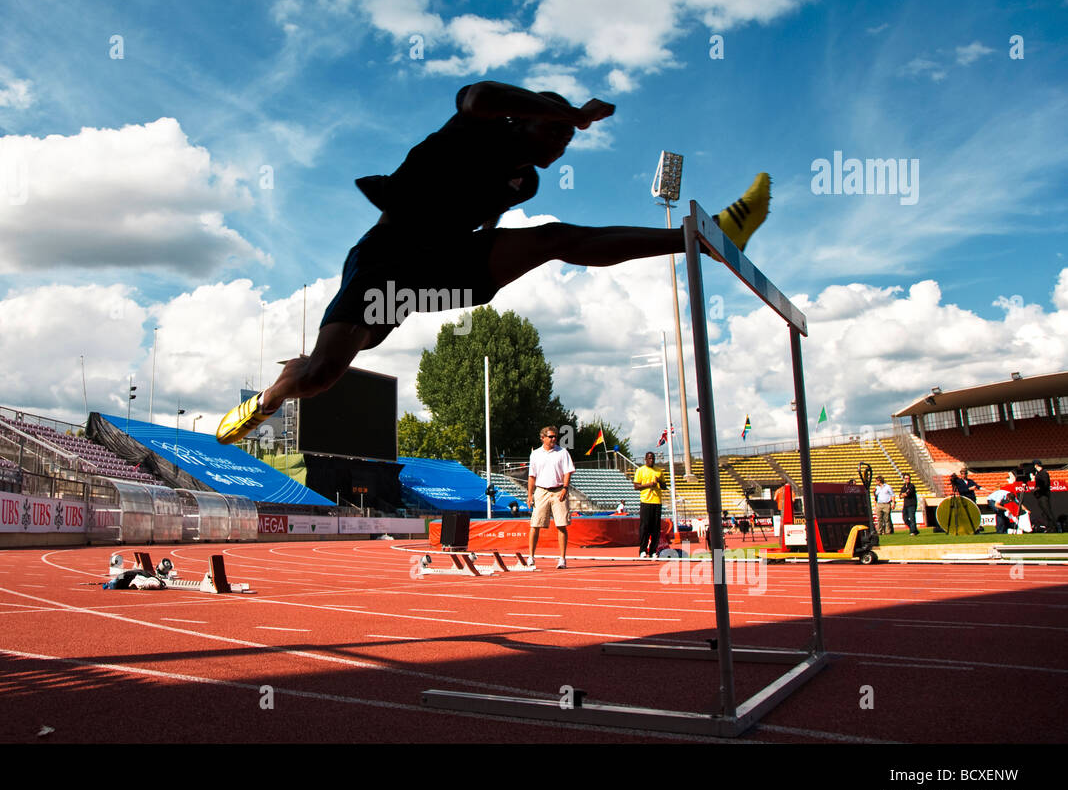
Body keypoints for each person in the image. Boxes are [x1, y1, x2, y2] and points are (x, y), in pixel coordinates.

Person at [215, 81, 773, 444]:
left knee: (555, 237)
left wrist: (486, 247)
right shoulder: (477, 128)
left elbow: (486, 217)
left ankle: (703, 237)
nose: (560, 143)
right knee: (321, 374)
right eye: (551, 130)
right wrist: (572, 112)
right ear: (521, 120)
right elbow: (478, 95)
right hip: (387, 258)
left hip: (444, 267)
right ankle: (270, 397)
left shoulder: (524, 181)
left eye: (565, 138)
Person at [525, 425, 575, 568]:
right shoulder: (535, 454)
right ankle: (531, 557)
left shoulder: (562, 452)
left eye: (555, 436)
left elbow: (568, 472)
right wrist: (530, 494)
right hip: (541, 490)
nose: (554, 439)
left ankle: (562, 559)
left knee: (561, 524)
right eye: (550, 436)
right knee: (535, 524)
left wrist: (565, 488)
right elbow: (531, 476)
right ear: (543, 438)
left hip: (559, 489)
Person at [632, 451, 666, 558]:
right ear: (645, 459)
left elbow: (664, 486)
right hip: (646, 501)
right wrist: (649, 484)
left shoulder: (659, 471)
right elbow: (636, 486)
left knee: (655, 528)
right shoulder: (640, 470)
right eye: (649, 458)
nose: (651, 460)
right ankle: (643, 550)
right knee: (644, 527)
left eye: (653, 459)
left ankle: (653, 551)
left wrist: (659, 481)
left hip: (657, 501)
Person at [1031, 460, 1056, 533]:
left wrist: (1037, 489)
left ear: (1036, 465)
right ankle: (1049, 527)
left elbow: (1045, 484)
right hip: (1040, 495)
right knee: (1044, 513)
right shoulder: (1038, 473)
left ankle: (1054, 527)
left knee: (1048, 512)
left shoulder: (1044, 473)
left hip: (1043, 495)